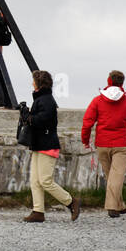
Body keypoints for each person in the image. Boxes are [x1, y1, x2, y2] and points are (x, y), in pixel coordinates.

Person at [81, 71, 126, 217]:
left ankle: (120, 205)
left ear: (109, 80)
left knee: (112, 176)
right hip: (121, 144)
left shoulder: (97, 101)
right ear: (122, 83)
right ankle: (112, 206)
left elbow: (87, 122)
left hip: (102, 144)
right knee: (116, 176)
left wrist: (85, 140)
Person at [21, 70, 79, 222]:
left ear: (39, 83)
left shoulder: (46, 100)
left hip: (47, 144)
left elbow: (44, 120)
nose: (32, 83)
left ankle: (71, 201)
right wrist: (27, 116)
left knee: (45, 180)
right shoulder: (42, 99)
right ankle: (38, 211)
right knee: (35, 180)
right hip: (40, 144)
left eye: (34, 80)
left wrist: (29, 118)